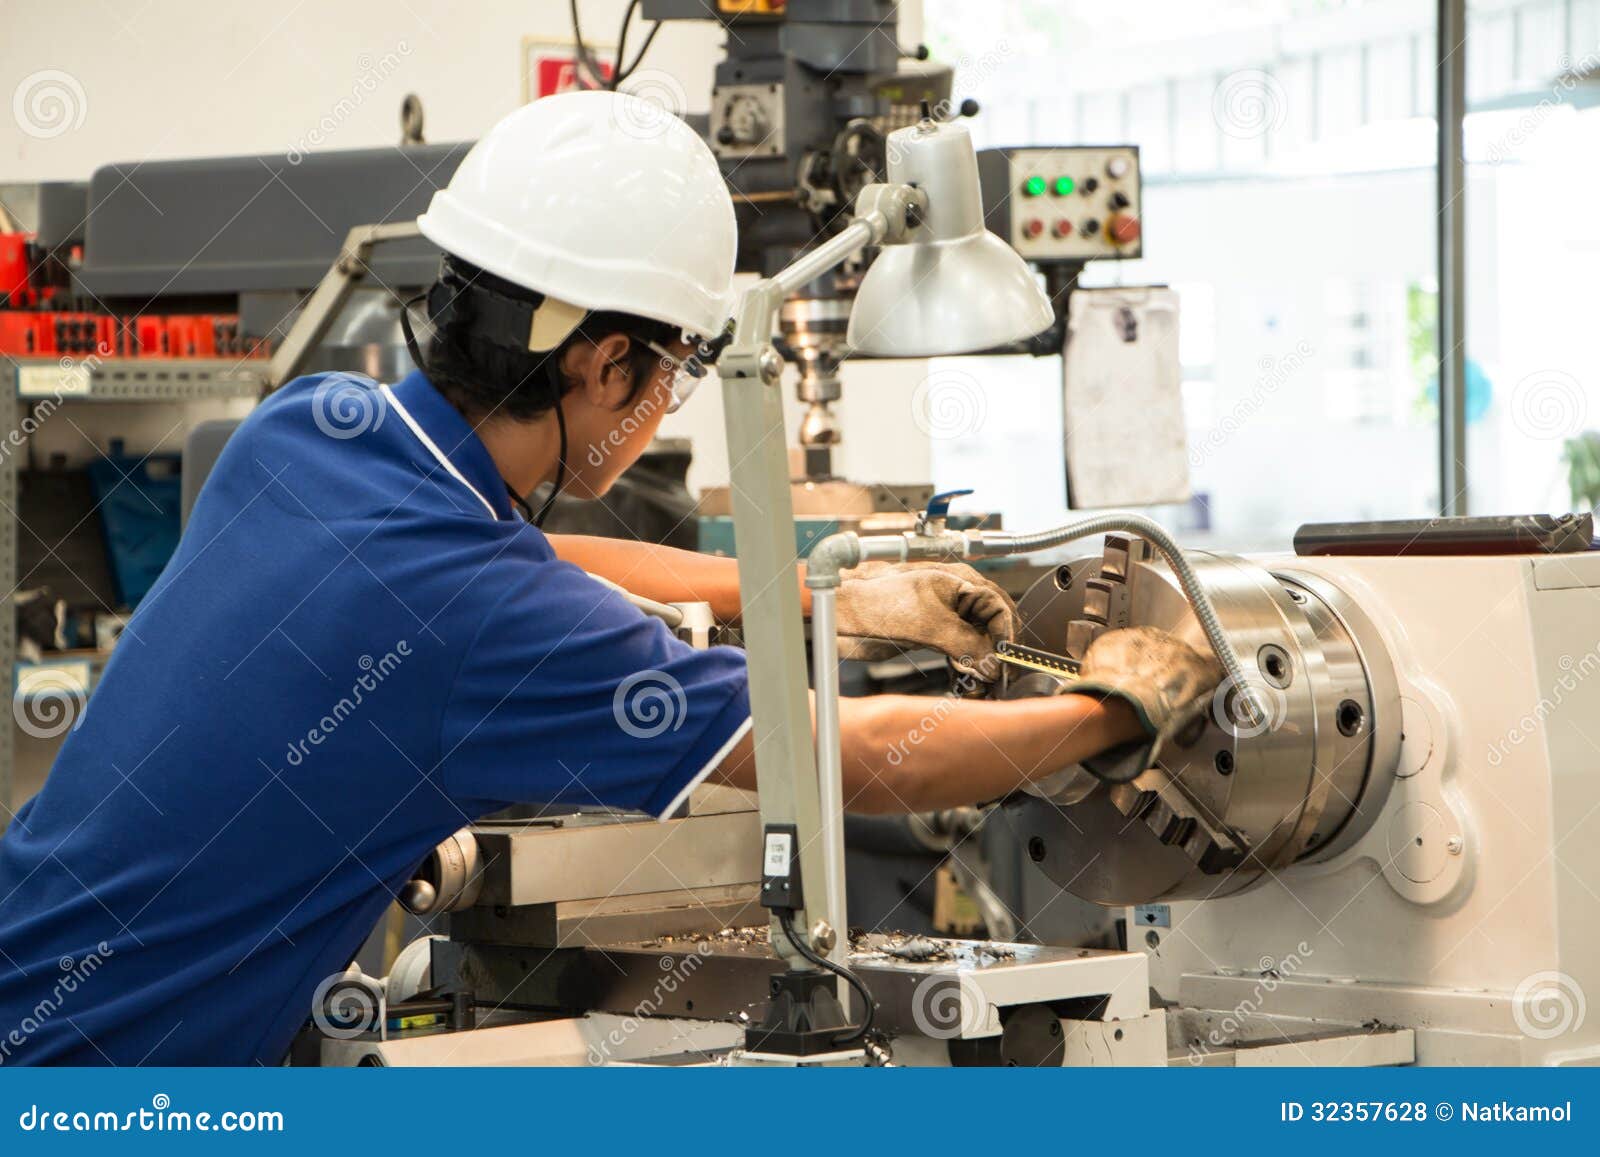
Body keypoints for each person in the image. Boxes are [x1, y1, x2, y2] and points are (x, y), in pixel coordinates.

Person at [0, 91, 1219, 1066]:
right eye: (674, 374)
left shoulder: (310, 426)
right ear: (602, 361)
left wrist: (826, 589)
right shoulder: (484, 617)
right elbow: (837, 750)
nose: (663, 406)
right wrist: (1108, 710)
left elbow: (536, 554)